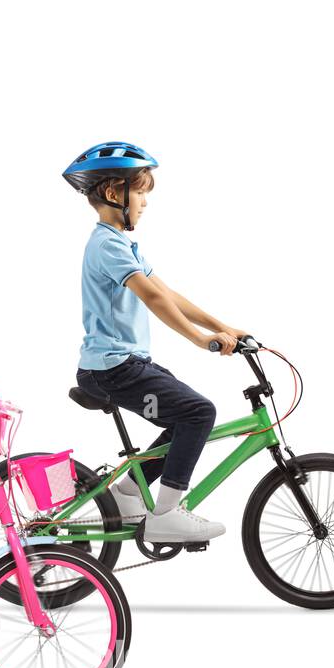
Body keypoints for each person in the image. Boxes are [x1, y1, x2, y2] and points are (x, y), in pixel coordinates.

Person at [64, 143, 251, 542]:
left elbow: (166, 292)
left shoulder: (121, 243)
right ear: (115, 194)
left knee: (184, 417)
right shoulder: (107, 245)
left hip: (126, 365)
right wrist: (203, 341)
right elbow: (153, 299)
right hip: (114, 368)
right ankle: (167, 513)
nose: (146, 202)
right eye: (141, 191)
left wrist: (224, 326)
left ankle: (130, 493)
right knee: (198, 413)